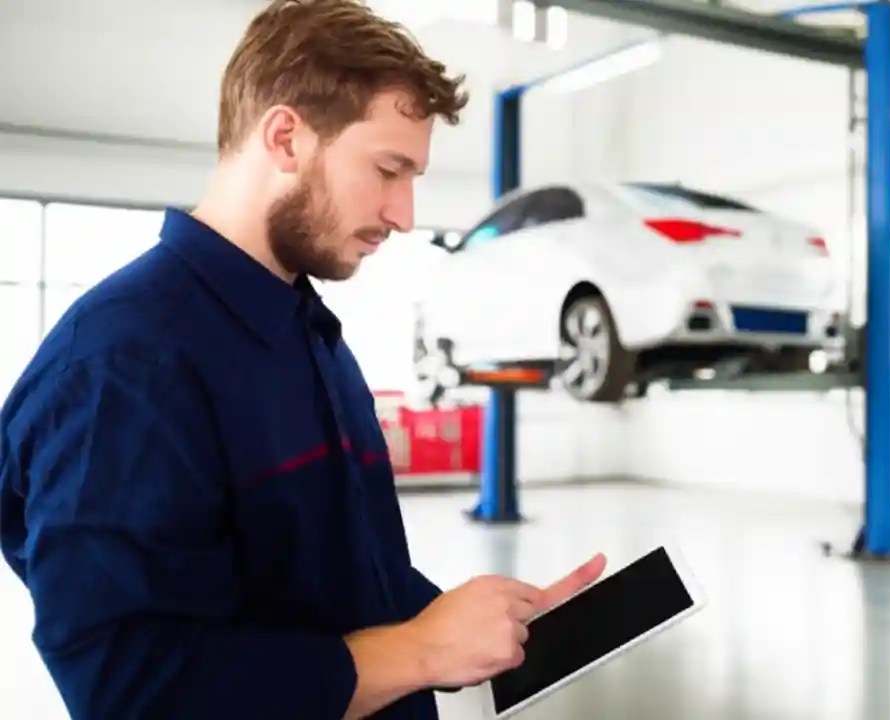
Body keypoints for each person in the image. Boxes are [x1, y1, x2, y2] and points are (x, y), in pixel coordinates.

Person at [0, 1, 606, 718]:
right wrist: (420, 651)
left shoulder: (309, 329)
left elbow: (333, 578)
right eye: (389, 169)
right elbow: (129, 688)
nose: (406, 213)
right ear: (286, 137)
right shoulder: (120, 365)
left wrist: (462, 626)